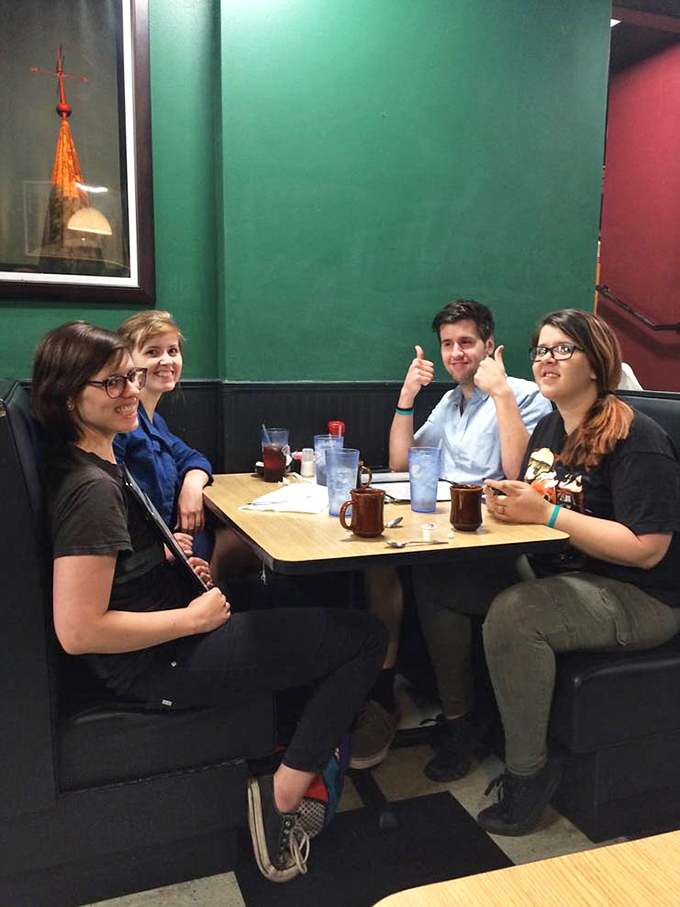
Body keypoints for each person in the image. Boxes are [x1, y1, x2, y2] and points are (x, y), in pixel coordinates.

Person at [32, 321, 386, 882]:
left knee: (300, 592)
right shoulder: (90, 489)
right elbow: (78, 629)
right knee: (365, 638)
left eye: (130, 375)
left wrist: (171, 565)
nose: (131, 389)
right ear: (67, 396)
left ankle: (295, 743)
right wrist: (190, 616)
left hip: (169, 626)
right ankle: (282, 798)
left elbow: (119, 567)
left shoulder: (101, 461)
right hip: (154, 663)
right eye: (113, 382)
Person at [478, 309, 680, 835]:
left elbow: (647, 550)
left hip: (643, 597)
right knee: (445, 580)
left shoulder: (639, 438)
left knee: (514, 615)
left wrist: (545, 514)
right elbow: (532, 490)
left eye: (562, 349)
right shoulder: (551, 423)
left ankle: (528, 776)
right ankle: (461, 728)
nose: (546, 359)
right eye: (541, 349)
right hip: (570, 575)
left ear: (595, 363)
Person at [351, 300, 551, 778]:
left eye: (466, 342)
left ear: (488, 345)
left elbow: (519, 473)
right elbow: (401, 463)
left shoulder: (524, 394)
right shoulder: (452, 400)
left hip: (504, 538)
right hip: (453, 531)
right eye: (448, 344)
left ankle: (460, 722)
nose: (456, 353)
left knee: (434, 583)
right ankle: (445, 713)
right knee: (381, 561)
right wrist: (406, 395)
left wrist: (501, 394)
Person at [114, 311, 257, 577]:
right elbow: (113, 506)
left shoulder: (155, 421)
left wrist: (191, 487)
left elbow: (194, 458)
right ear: (126, 361)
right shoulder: (123, 427)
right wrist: (157, 549)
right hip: (161, 564)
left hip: (193, 547)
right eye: (152, 351)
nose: (166, 360)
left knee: (260, 542)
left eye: (173, 350)